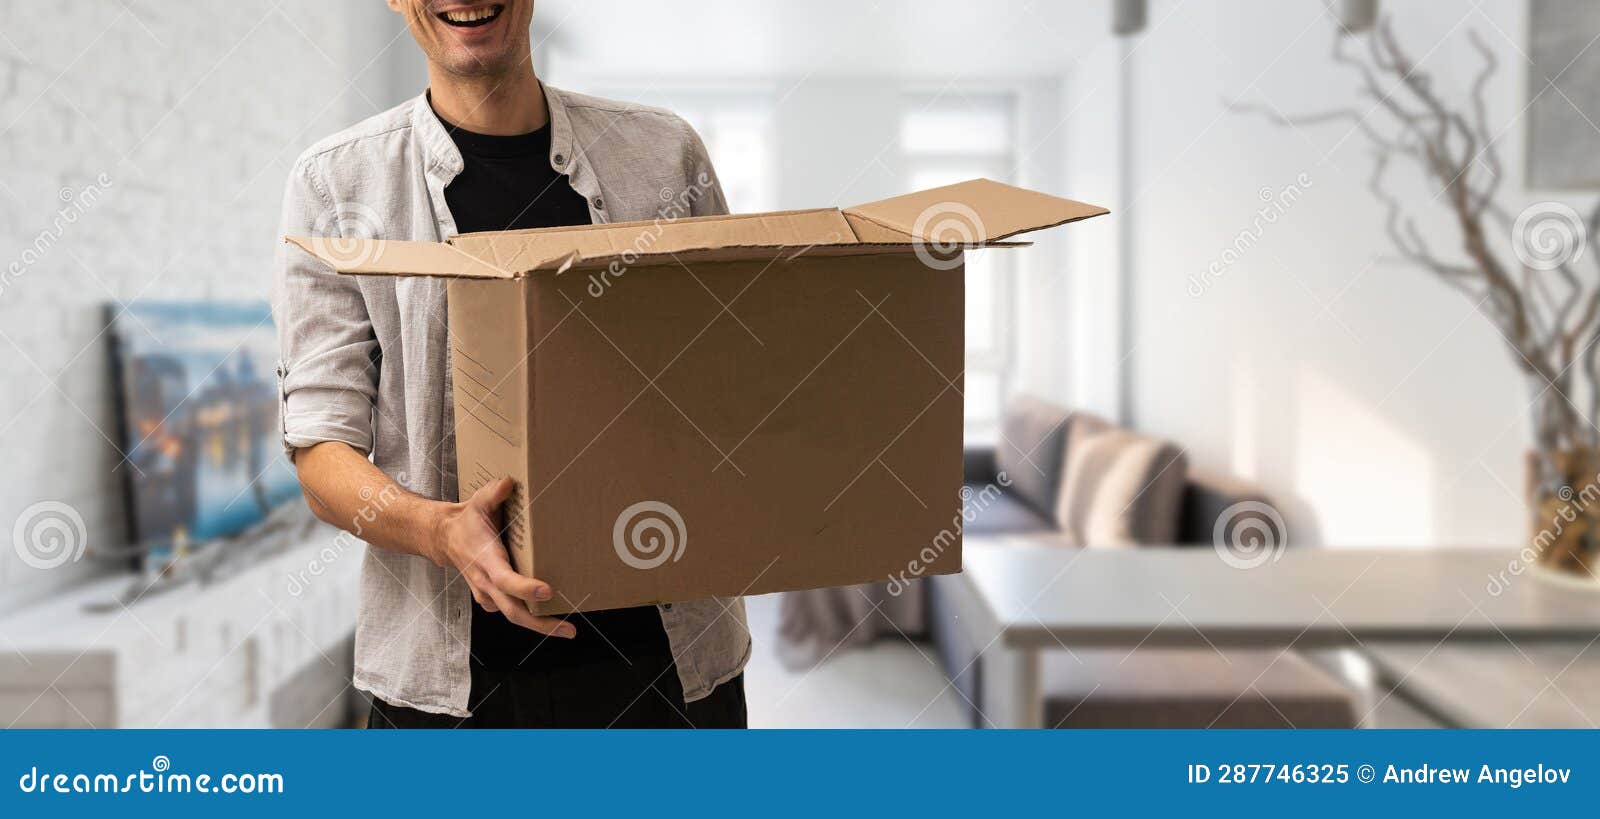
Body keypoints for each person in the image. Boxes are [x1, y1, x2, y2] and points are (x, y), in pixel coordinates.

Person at [273, 0, 749, 728]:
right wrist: (438, 530)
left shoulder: (663, 153)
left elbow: (731, 375)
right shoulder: (336, 184)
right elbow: (320, 446)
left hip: (671, 672)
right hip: (450, 693)